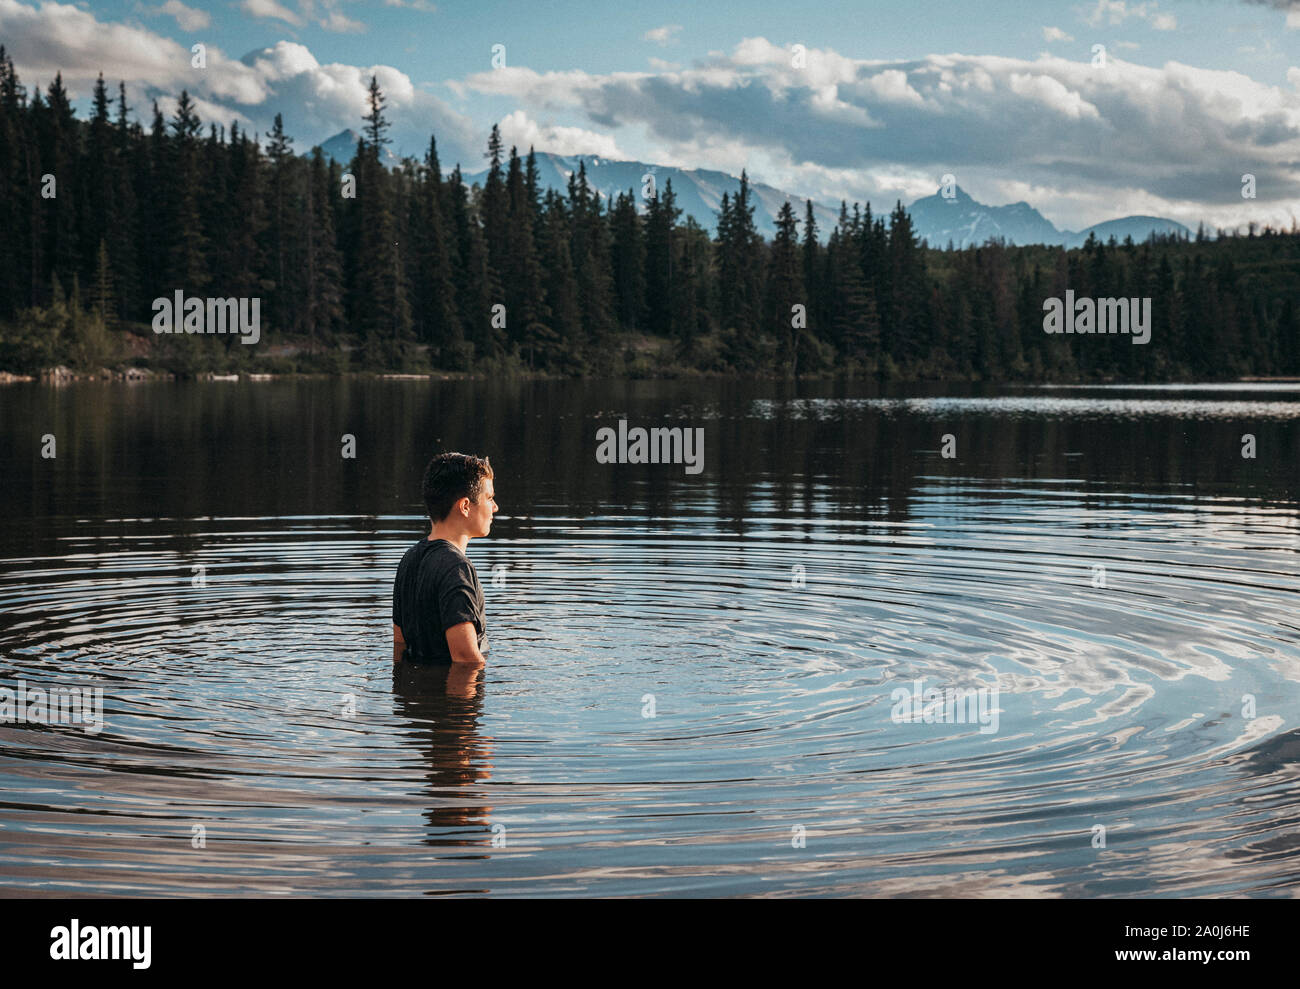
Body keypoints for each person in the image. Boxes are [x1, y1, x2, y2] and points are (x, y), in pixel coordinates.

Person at [392, 452, 497, 668]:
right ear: (465, 506)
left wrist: (405, 695)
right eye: (489, 498)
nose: (494, 507)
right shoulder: (457, 568)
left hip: (416, 696)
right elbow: (465, 660)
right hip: (456, 699)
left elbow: (400, 645)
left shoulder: (409, 559)